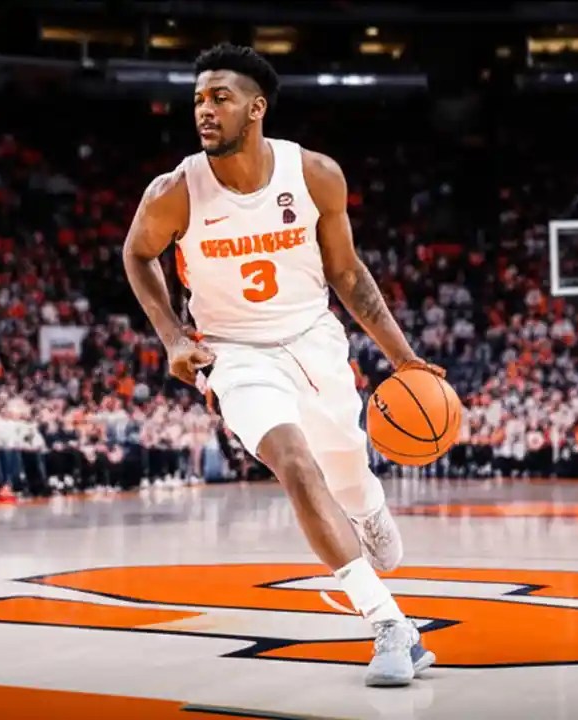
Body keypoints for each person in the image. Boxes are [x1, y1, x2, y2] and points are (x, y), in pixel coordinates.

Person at [122, 42, 438, 687]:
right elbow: (137, 253)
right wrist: (174, 338)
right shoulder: (176, 191)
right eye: (198, 100)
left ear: (256, 107)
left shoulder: (315, 174)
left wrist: (405, 359)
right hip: (233, 351)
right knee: (294, 464)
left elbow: (348, 274)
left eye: (220, 98)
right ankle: (389, 624)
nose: (204, 111)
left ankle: (367, 507)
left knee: (346, 469)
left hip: (312, 338)